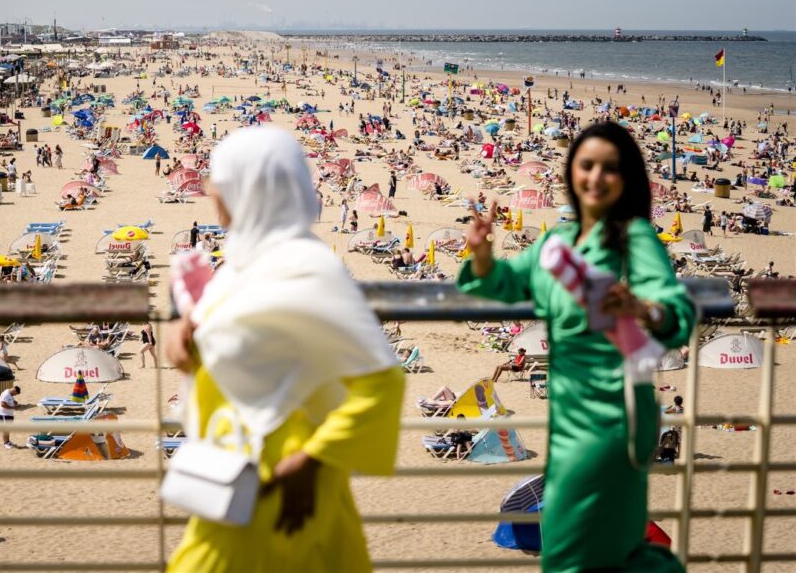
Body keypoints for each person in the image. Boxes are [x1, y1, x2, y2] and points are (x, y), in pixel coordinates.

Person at [166, 126, 404, 572]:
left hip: (288, 483)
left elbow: (384, 382)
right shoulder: (243, 264)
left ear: (247, 189)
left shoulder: (308, 269)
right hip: (230, 474)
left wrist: (314, 462)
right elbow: (242, 347)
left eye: (217, 182)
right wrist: (185, 336)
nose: (209, 192)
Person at [458, 121, 692, 572]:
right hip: (568, 414)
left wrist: (642, 308)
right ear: (571, 173)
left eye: (609, 168)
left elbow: (673, 312)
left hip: (615, 412)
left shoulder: (634, 239)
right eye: (586, 165)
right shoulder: (556, 243)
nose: (595, 177)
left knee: (571, 549)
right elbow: (504, 284)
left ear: (626, 178)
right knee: (597, 546)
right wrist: (482, 252)